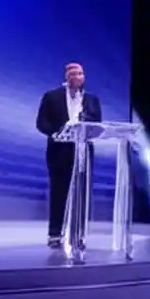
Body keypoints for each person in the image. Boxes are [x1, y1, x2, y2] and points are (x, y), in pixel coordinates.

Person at [35, 62, 102, 248]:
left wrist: (87, 128)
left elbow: (98, 124)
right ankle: (55, 235)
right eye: (74, 73)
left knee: (81, 194)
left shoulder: (92, 100)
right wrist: (57, 133)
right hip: (59, 151)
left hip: (82, 151)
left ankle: (78, 235)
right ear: (67, 76)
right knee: (59, 193)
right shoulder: (51, 97)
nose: (78, 76)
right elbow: (41, 123)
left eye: (81, 73)